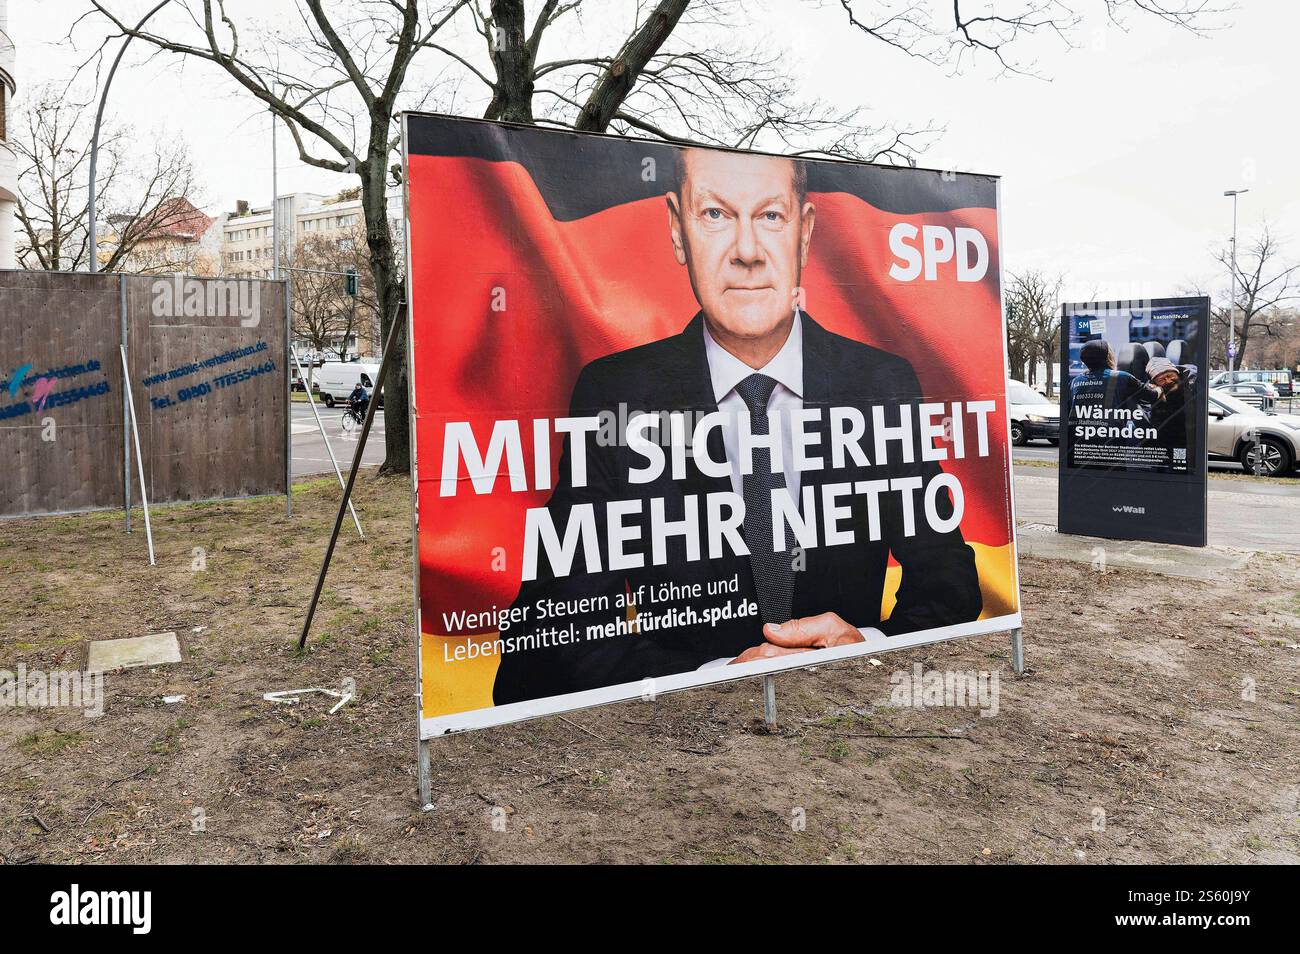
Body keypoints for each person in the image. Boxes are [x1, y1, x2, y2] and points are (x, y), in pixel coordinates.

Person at [491, 146, 982, 706]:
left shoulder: (880, 383)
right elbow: (551, 631)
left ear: (804, 231)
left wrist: (863, 645)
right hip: (693, 746)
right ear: (678, 230)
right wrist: (714, 675)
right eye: (716, 215)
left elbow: (949, 589)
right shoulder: (617, 394)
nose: (747, 252)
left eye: (770, 216)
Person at [1144, 356, 1197, 469]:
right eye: (1162, 380)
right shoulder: (1151, 393)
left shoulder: (1193, 381)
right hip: (1171, 444)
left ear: (1176, 372)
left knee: (1181, 467)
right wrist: (1158, 398)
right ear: (1155, 383)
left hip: (1190, 440)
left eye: (1169, 376)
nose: (1168, 381)